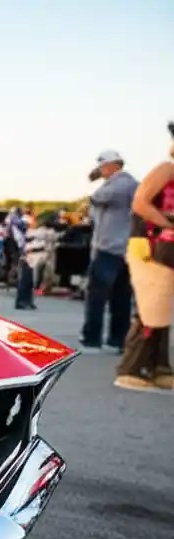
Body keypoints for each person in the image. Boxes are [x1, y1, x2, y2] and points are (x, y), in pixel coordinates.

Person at [115, 124, 174, 391]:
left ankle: (159, 367)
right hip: (149, 244)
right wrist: (167, 224)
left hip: (165, 245)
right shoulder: (166, 169)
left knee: (163, 307)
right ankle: (132, 367)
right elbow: (140, 202)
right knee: (152, 306)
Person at [80, 150, 139, 352]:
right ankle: (118, 338)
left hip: (109, 247)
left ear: (113, 165)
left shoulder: (121, 183)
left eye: (103, 166)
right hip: (124, 248)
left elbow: (97, 198)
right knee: (121, 297)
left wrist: (97, 182)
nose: (100, 170)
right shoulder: (129, 184)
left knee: (97, 296)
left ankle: (92, 338)